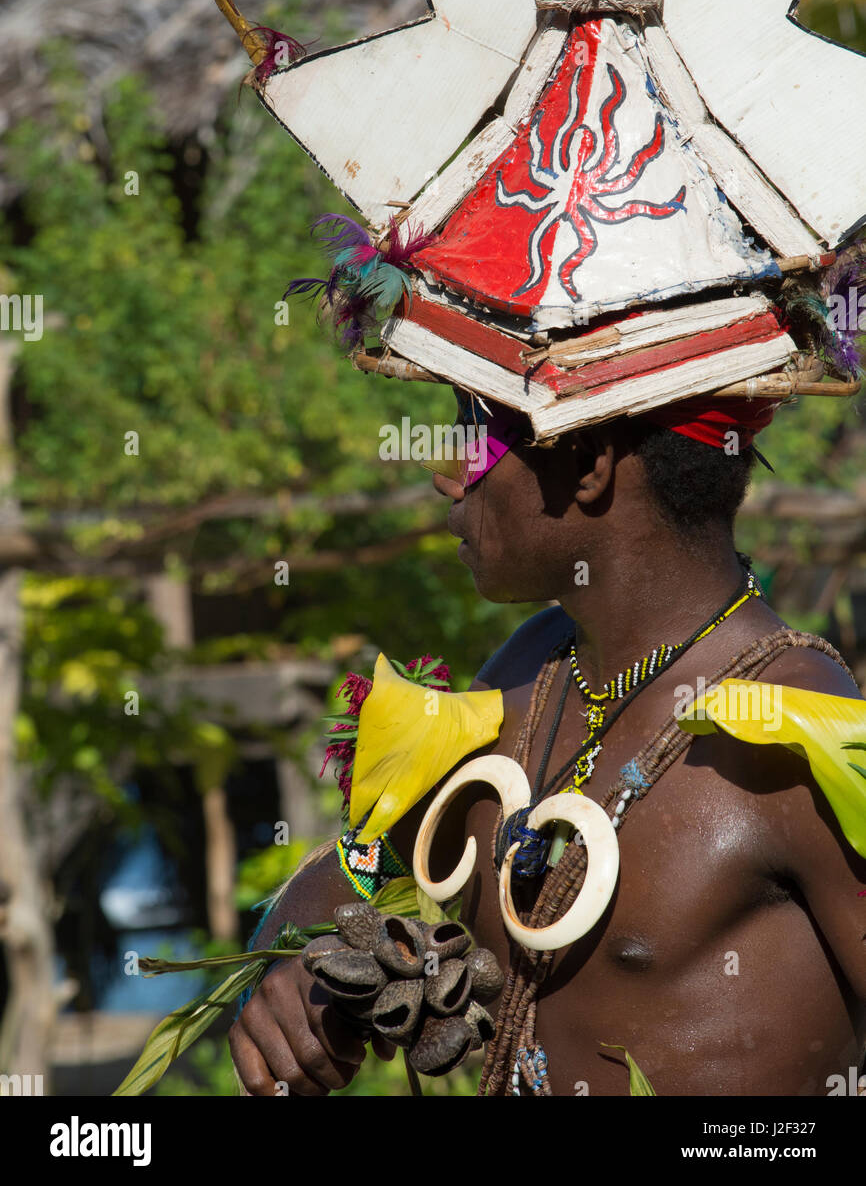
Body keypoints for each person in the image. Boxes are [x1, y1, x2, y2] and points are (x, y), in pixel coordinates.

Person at [229, 401, 866, 1096]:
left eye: (474, 435)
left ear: (586, 462)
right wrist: (292, 965)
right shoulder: (526, 671)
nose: (448, 479)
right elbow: (359, 869)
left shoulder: (801, 732)